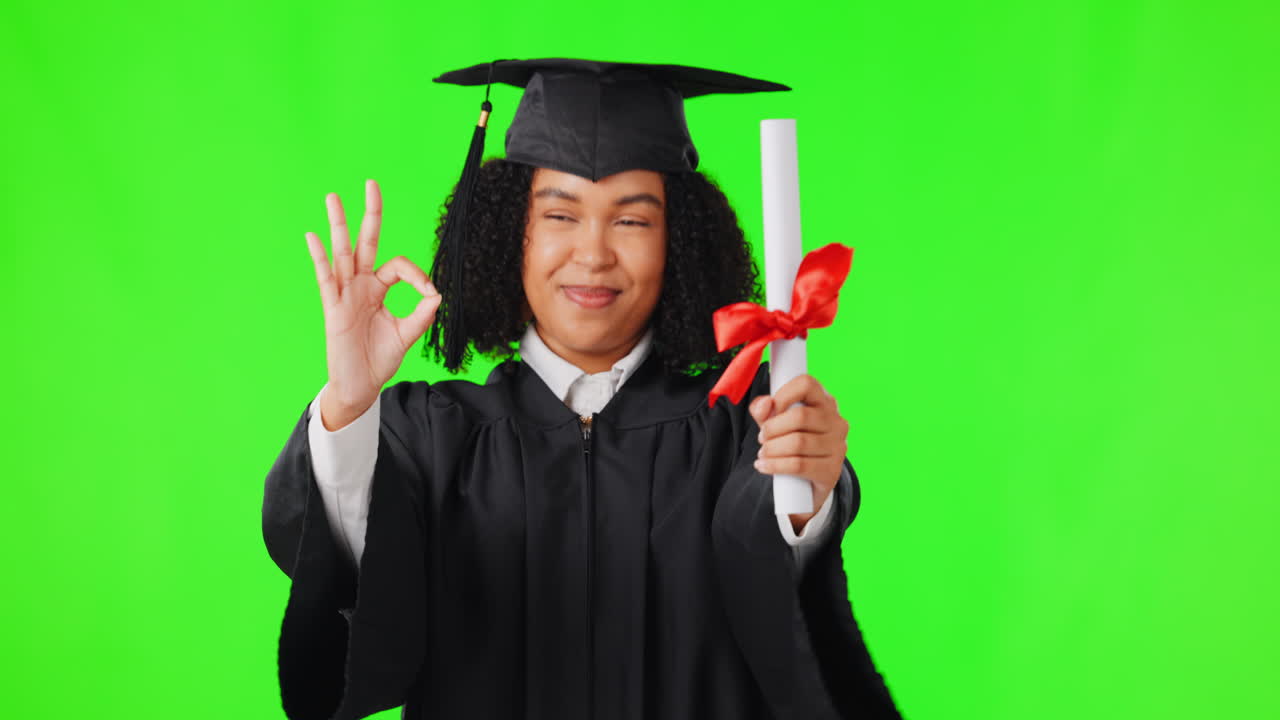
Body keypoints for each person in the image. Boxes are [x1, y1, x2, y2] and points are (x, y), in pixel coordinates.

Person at [262, 58, 902, 720]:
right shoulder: (428, 436)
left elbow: (772, 569)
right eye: (561, 216)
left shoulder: (742, 426)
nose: (593, 253)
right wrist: (348, 405)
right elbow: (354, 584)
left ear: (677, 240)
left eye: (632, 220)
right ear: (512, 231)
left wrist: (803, 489)